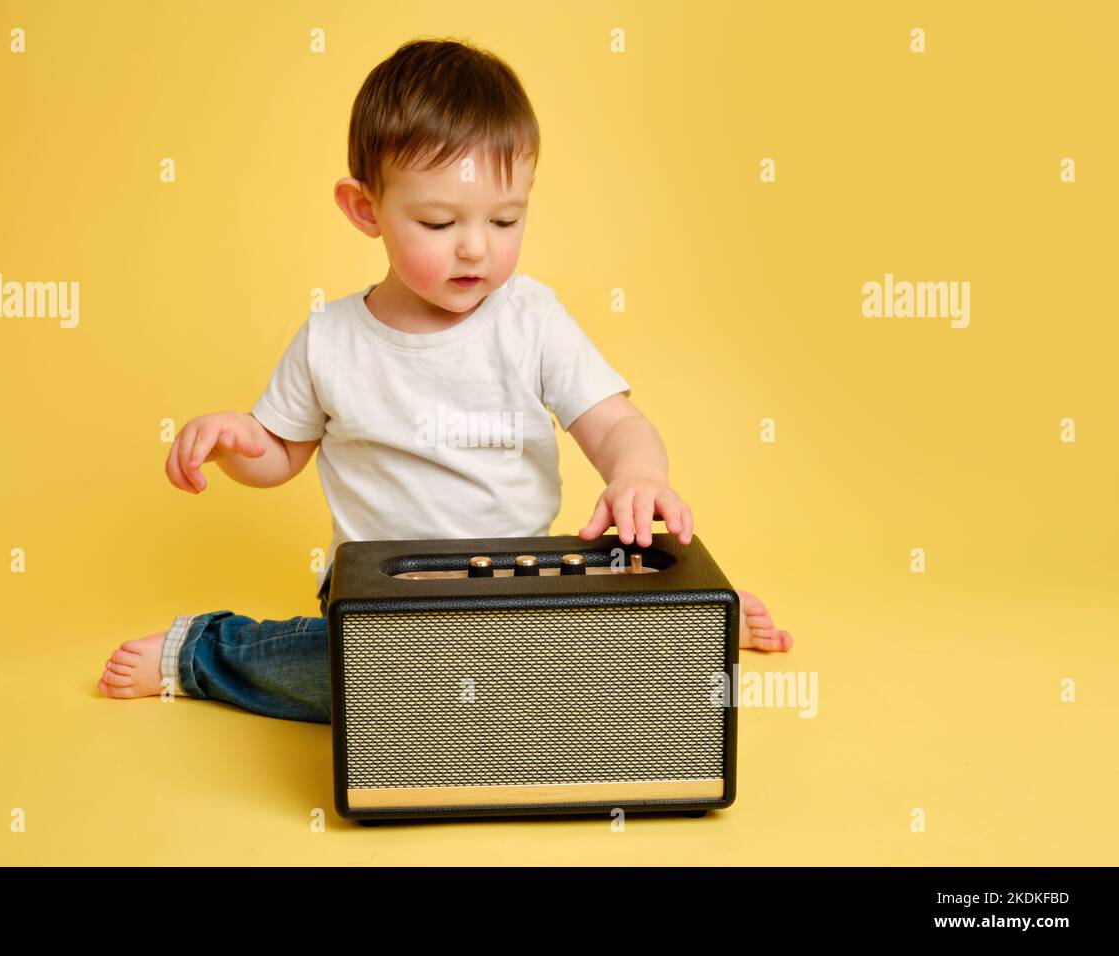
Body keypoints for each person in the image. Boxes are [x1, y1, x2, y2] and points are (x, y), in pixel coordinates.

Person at [98, 38, 792, 721]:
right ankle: (203, 653)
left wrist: (637, 476)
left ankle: (682, 627)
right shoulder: (331, 338)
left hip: (516, 598)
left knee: (572, 678)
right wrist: (237, 442)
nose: (476, 247)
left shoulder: (531, 320)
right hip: (383, 609)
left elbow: (613, 422)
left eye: (505, 219)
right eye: (438, 221)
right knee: (364, 688)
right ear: (365, 208)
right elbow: (281, 454)